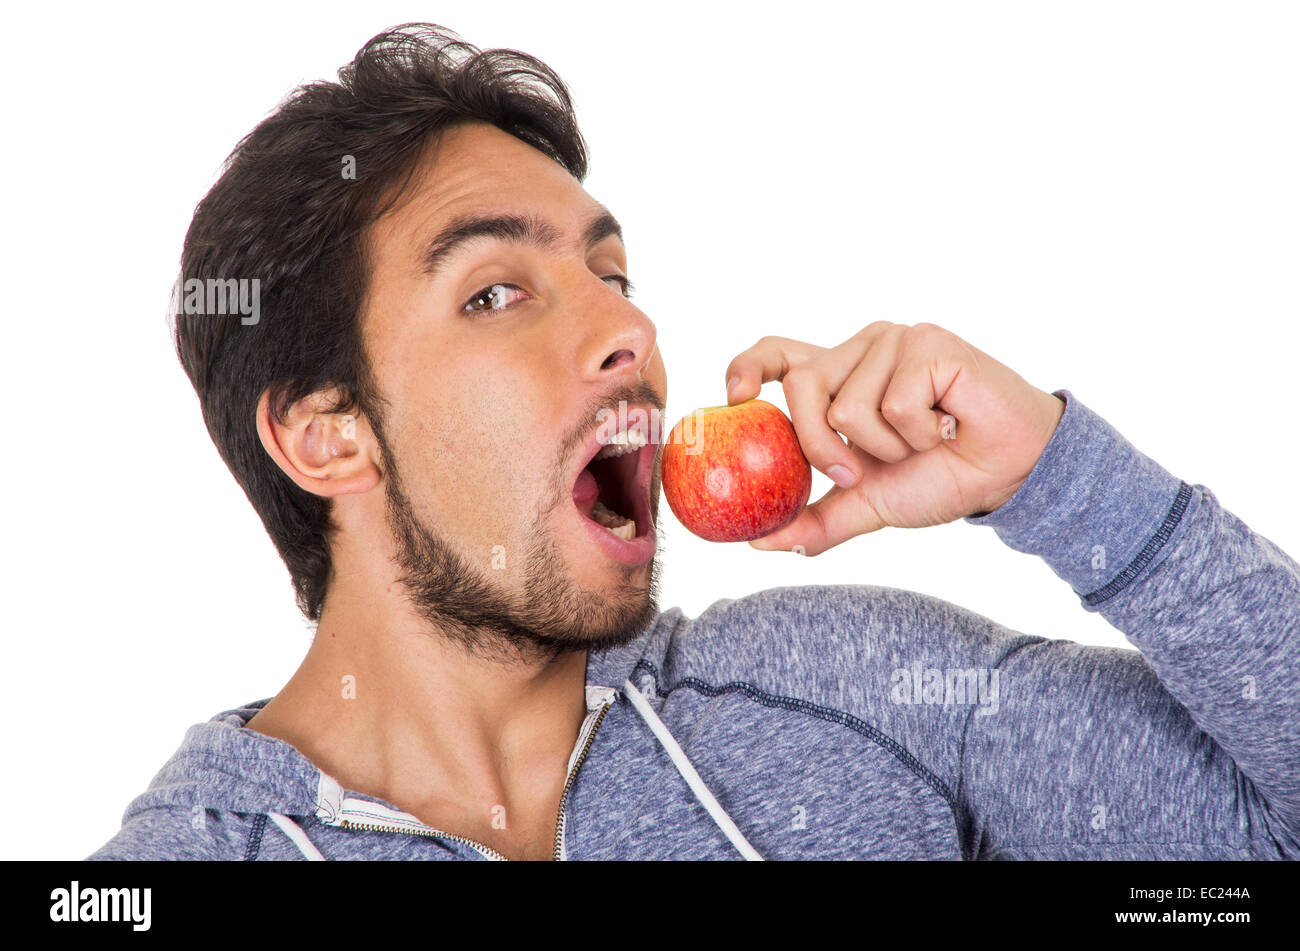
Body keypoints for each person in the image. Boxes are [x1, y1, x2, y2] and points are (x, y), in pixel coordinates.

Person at [90, 23, 1299, 861]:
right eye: (497, 292)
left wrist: (1055, 478)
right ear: (327, 436)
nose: (628, 326)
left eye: (612, 273)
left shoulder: (852, 693)